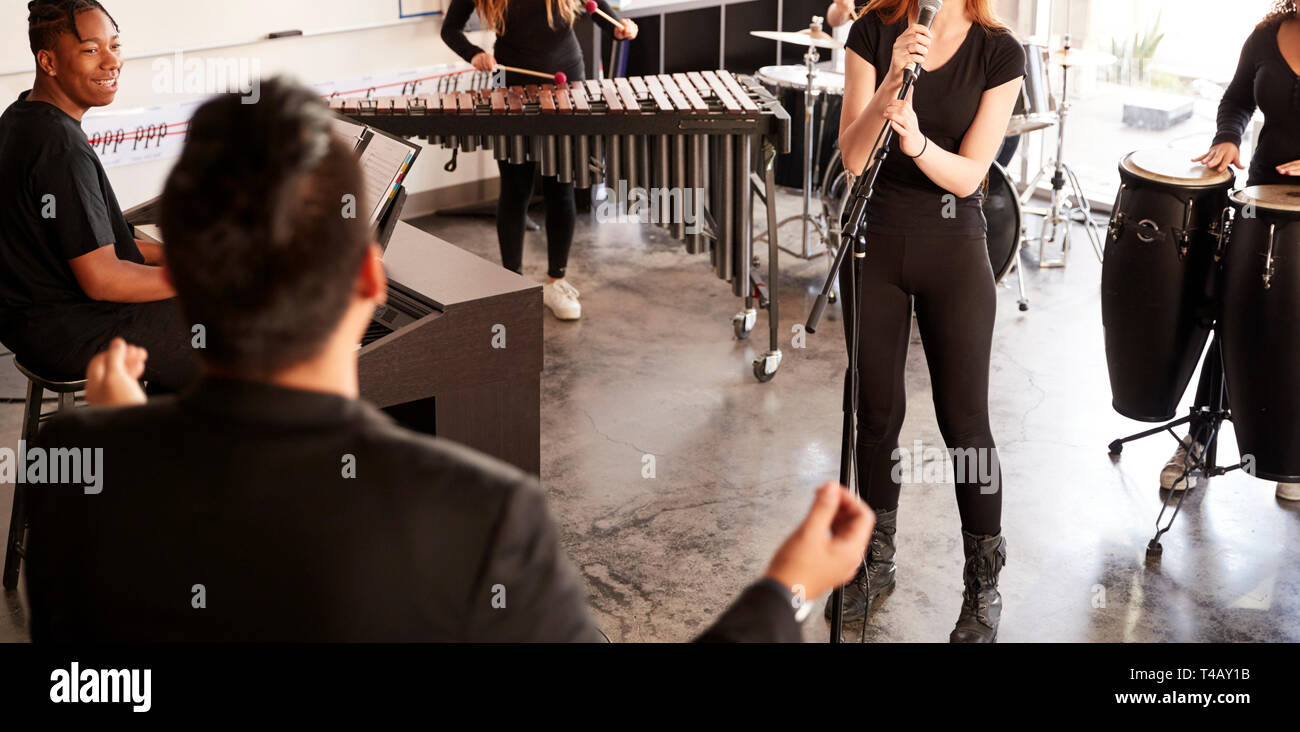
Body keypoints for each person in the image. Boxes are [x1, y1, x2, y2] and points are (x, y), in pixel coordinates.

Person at [26, 77, 872, 642]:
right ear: (367, 272)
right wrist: (790, 589)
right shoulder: (483, 519)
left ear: (185, 278)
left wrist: (123, 446)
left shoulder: (72, 469)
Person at [831, 0, 1025, 642]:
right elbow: (851, 157)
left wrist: (915, 141)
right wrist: (887, 88)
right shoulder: (875, 33)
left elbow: (973, 175)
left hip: (954, 248)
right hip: (875, 242)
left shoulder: (999, 50)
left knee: (965, 425)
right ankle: (875, 559)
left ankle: (984, 589)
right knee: (874, 415)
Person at [440, 0, 638, 321]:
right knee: (515, 187)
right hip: (514, 87)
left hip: (568, 84)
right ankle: (510, 282)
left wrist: (621, 26)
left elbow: (598, 7)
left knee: (560, 184)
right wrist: (475, 55)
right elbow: (450, 29)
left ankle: (555, 281)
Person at [0, 0, 196, 392]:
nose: (111, 62)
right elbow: (104, 279)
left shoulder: (22, 116)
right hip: (72, 333)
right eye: (91, 50)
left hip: (28, 325)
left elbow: (97, 245)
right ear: (48, 61)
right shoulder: (61, 149)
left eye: (115, 45)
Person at [1164, 0, 1300, 503]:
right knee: (1231, 316)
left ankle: (1292, 453)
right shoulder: (1268, 33)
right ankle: (1199, 439)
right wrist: (1226, 138)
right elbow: (1237, 101)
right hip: (1260, 203)